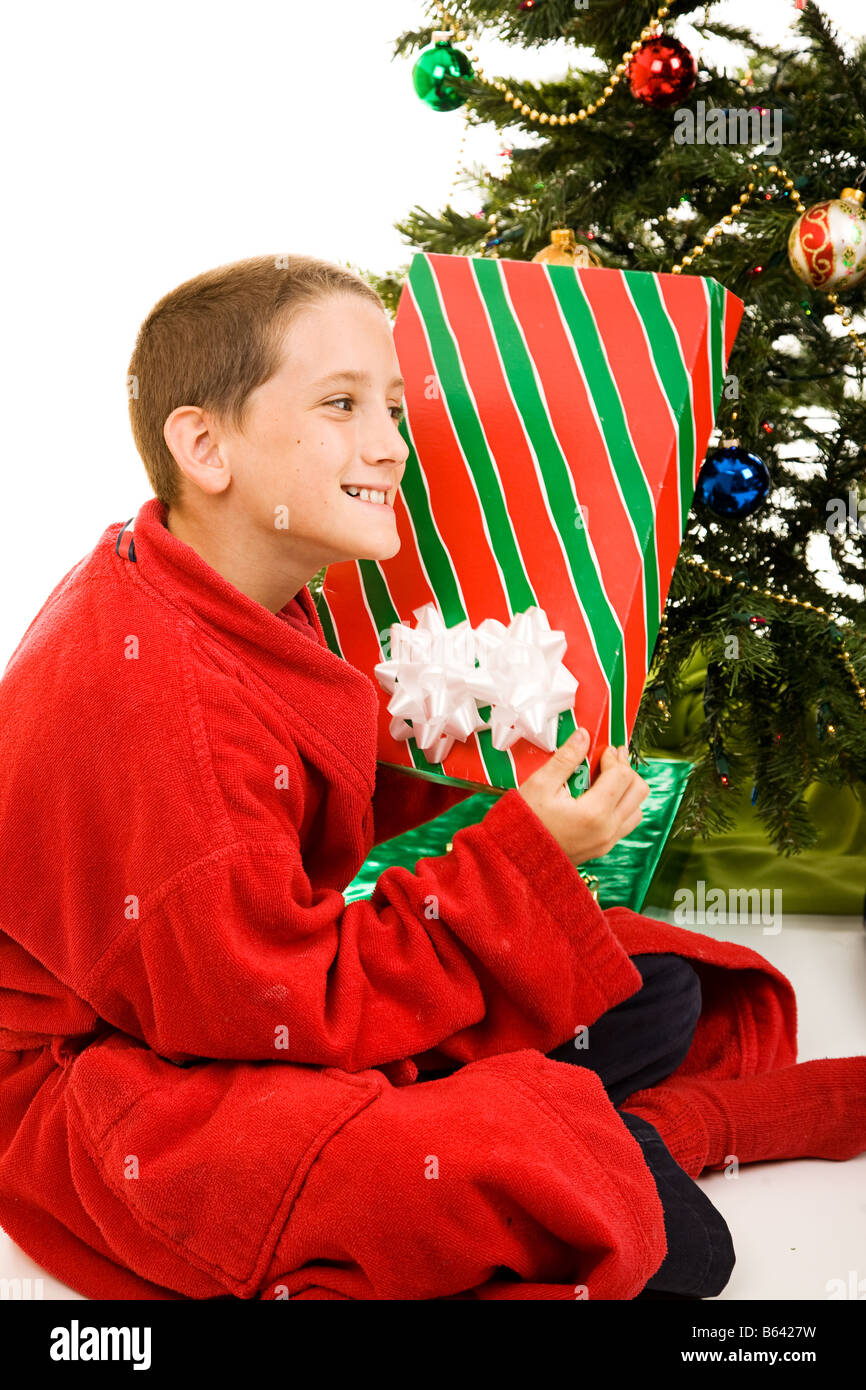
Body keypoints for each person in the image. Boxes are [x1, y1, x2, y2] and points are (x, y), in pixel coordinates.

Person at [0, 254, 863, 1303]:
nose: (390, 445)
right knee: (653, 1238)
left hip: (240, 991)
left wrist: (499, 806)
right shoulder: (160, 708)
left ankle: (527, 1100)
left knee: (654, 994)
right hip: (124, 1077)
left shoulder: (239, 584)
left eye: (395, 407)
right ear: (202, 444)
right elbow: (280, 1003)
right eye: (341, 404)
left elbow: (324, 801)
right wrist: (524, 860)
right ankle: (563, 1125)